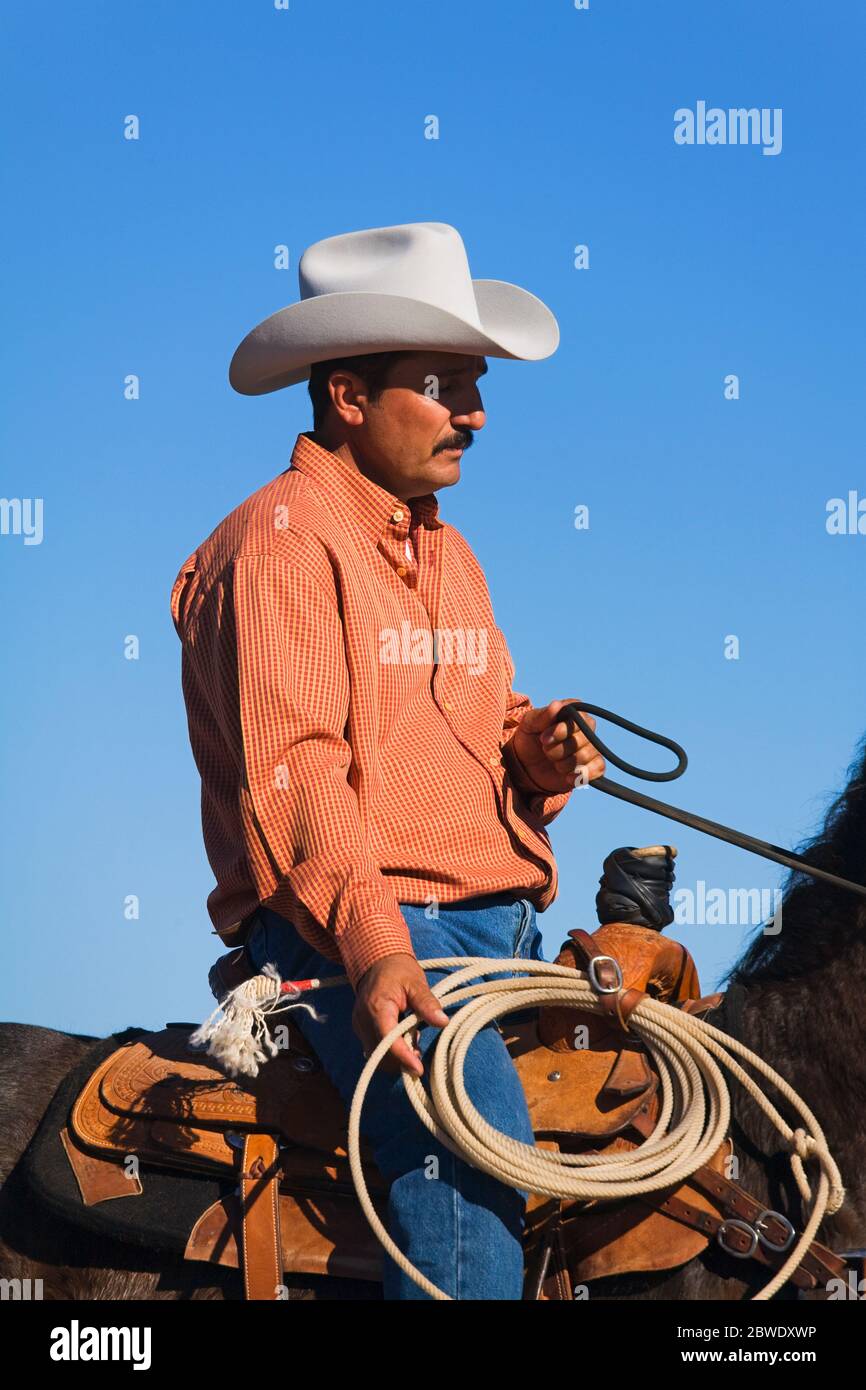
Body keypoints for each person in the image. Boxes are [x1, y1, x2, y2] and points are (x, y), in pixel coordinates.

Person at [170, 221, 605, 1299]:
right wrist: (373, 950)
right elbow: (296, 774)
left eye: (476, 385)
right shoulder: (276, 545)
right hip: (353, 925)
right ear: (348, 396)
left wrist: (535, 751)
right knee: (468, 1153)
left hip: (498, 930)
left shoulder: (452, 554)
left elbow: (476, 723)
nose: (476, 413)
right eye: (445, 384)